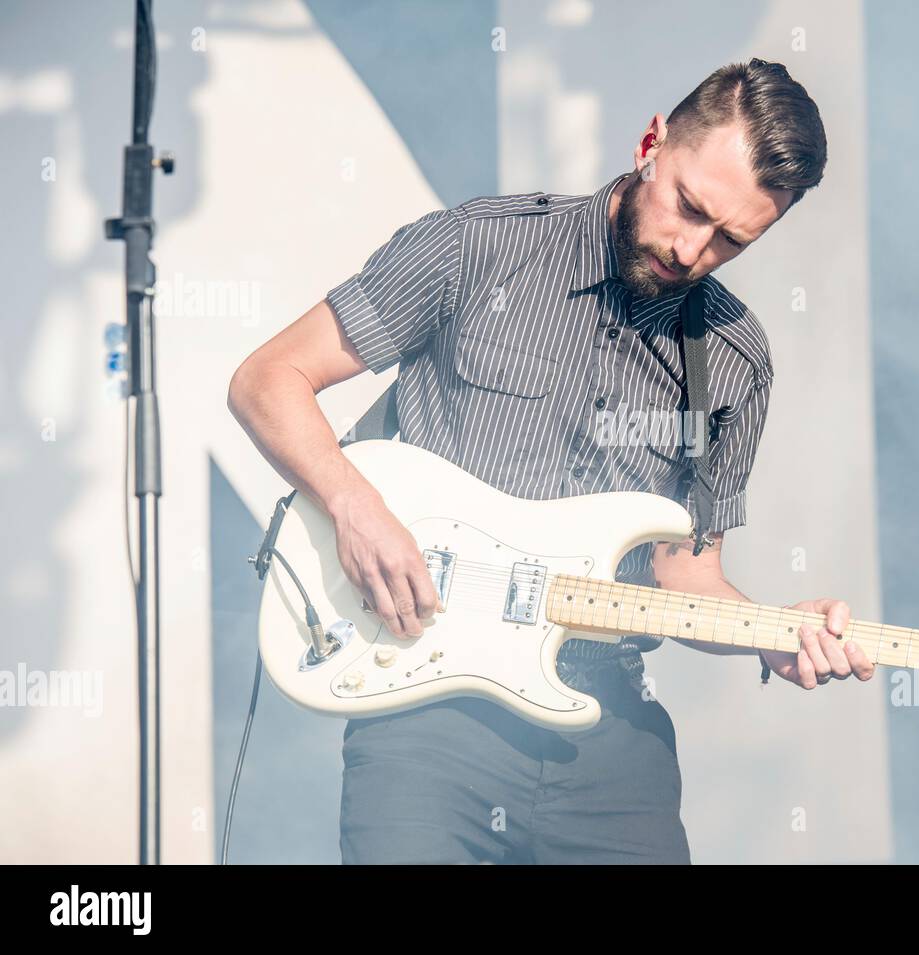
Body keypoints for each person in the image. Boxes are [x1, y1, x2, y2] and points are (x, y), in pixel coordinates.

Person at [227, 58, 874, 865]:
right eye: (690, 207)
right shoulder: (476, 247)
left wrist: (772, 636)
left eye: (730, 240)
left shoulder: (735, 364)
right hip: (428, 718)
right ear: (652, 143)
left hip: (607, 735)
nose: (691, 248)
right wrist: (355, 505)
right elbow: (267, 380)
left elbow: (685, 576)